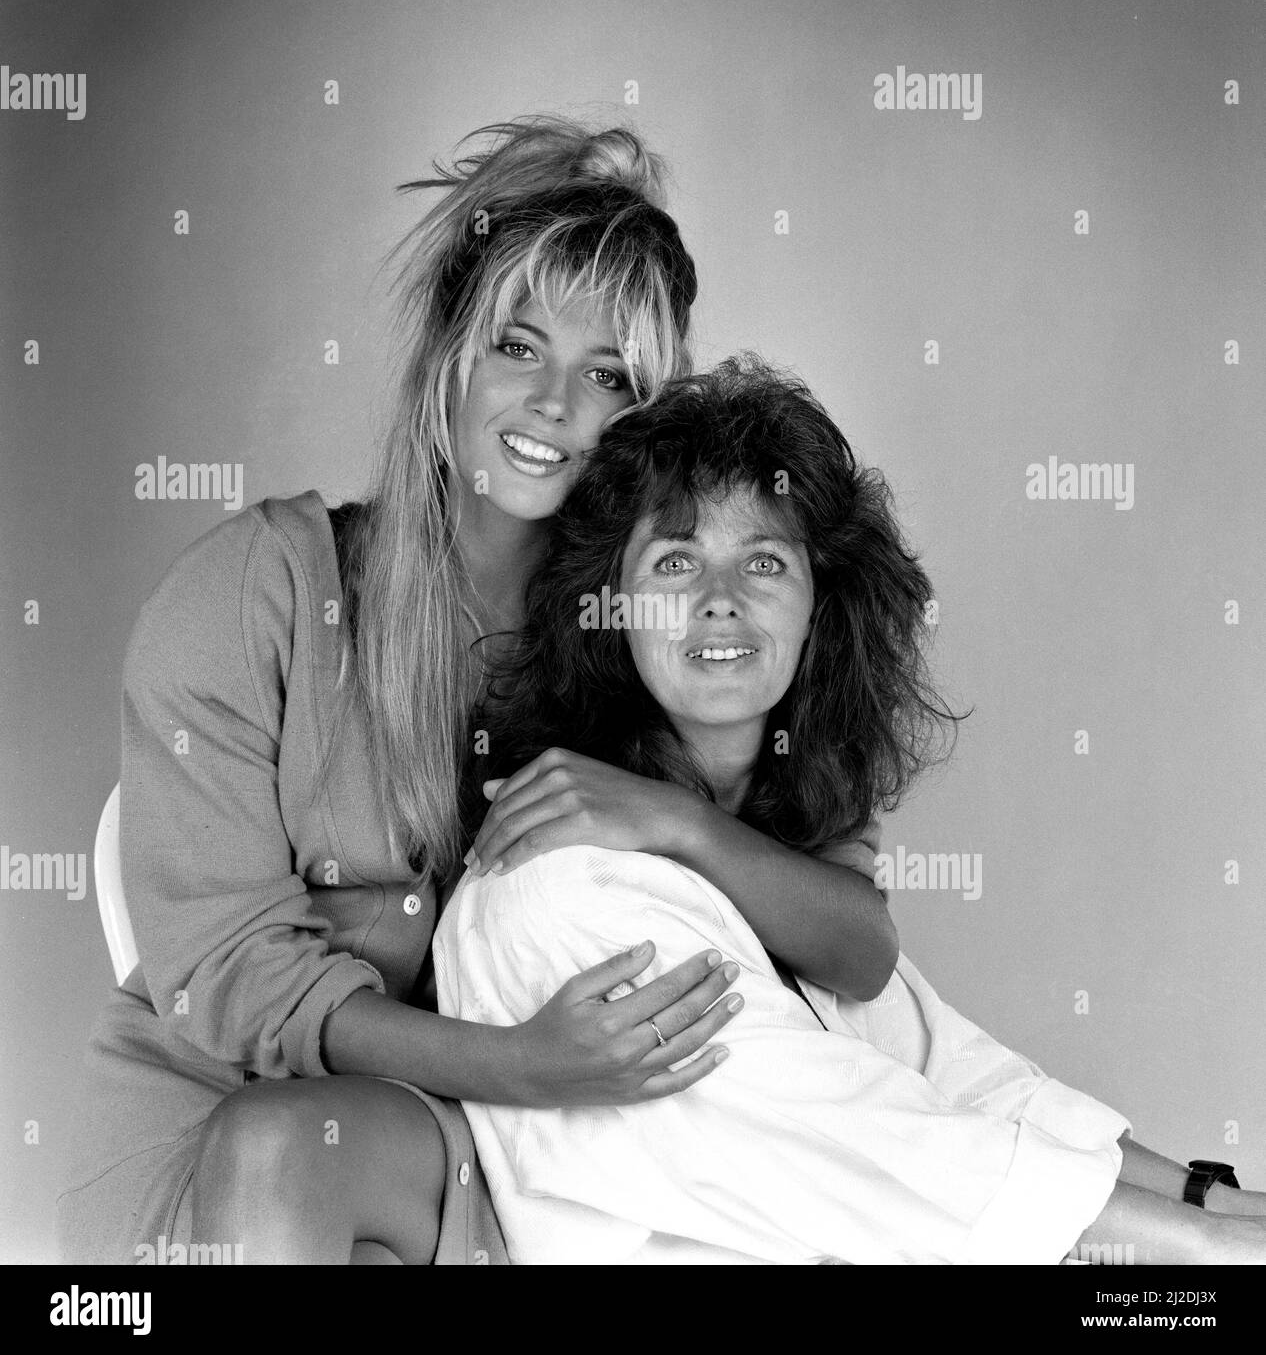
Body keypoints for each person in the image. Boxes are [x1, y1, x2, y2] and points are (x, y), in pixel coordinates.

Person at [56, 117, 897, 1265]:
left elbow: (858, 946)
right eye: (519, 345)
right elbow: (238, 987)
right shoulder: (251, 595)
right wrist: (528, 1063)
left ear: (648, 418)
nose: (556, 404)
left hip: (502, 1158)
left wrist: (680, 821)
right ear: (450, 357)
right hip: (205, 1146)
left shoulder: (661, 637)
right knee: (274, 1148)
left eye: (609, 375)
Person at [434, 356, 1266, 1265]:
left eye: (764, 561)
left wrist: (1215, 1204)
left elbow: (950, 1065)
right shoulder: (563, 878)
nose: (719, 600)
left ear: (821, 610)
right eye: (675, 560)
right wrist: (1199, 1250)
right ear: (608, 605)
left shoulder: (761, 856)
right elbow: (875, 1138)